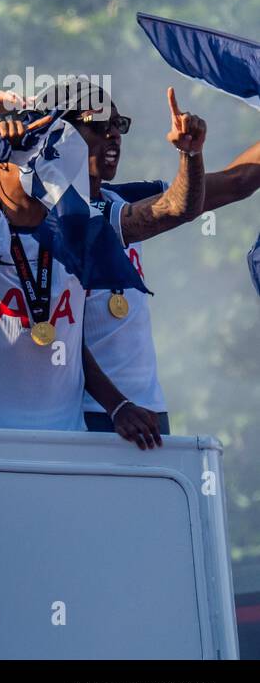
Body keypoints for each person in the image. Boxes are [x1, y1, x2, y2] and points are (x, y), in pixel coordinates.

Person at [0, 89, 180, 448]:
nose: (37, 163)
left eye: (45, 153)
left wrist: (116, 405)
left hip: (69, 440)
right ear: (0, 162)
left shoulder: (74, 228)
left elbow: (70, 345)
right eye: (26, 151)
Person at [51, 77, 260, 434]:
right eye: (99, 125)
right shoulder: (47, 219)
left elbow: (237, 182)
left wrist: (191, 154)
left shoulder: (123, 199)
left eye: (119, 125)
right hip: (88, 413)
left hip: (147, 408)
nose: (114, 135)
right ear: (60, 134)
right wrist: (116, 405)